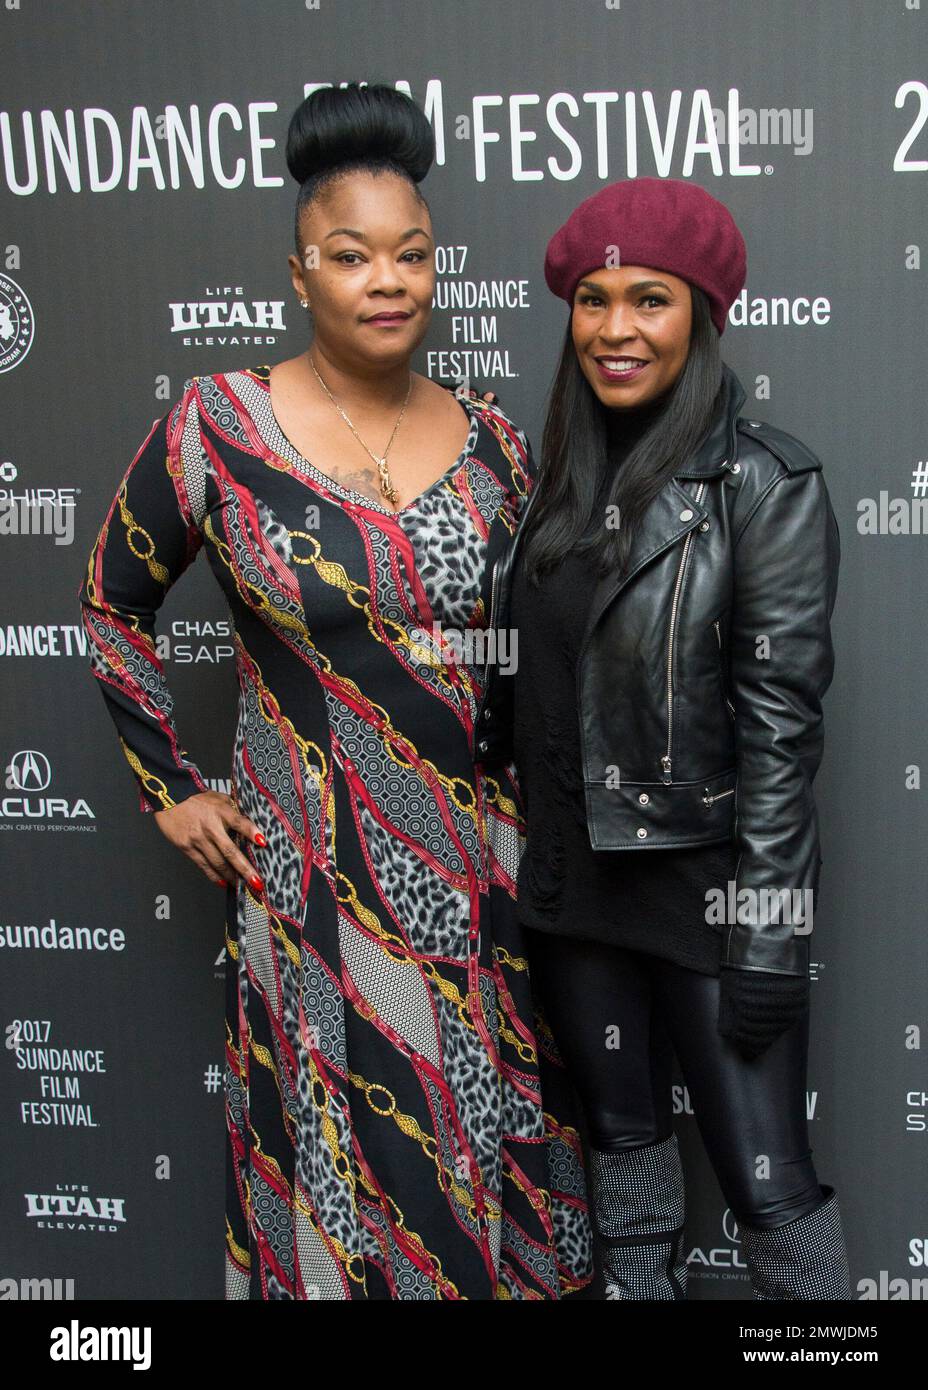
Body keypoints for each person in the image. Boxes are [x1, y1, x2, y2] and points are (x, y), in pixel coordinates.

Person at [77, 82, 593, 1301]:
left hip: (476, 876)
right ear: (300, 272)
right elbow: (111, 607)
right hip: (309, 875)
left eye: (411, 255)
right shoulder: (220, 427)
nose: (387, 280)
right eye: (351, 255)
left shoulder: (496, 445)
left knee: (475, 1154)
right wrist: (173, 790)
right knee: (336, 1169)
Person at [473, 177, 851, 1301]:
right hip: (574, 897)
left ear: (701, 313)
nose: (615, 329)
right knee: (623, 1186)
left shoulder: (767, 483)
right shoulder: (547, 490)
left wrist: (774, 937)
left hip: (709, 903)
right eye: (592, 300)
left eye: (649, 300)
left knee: (774, 1199)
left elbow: (784, 740)